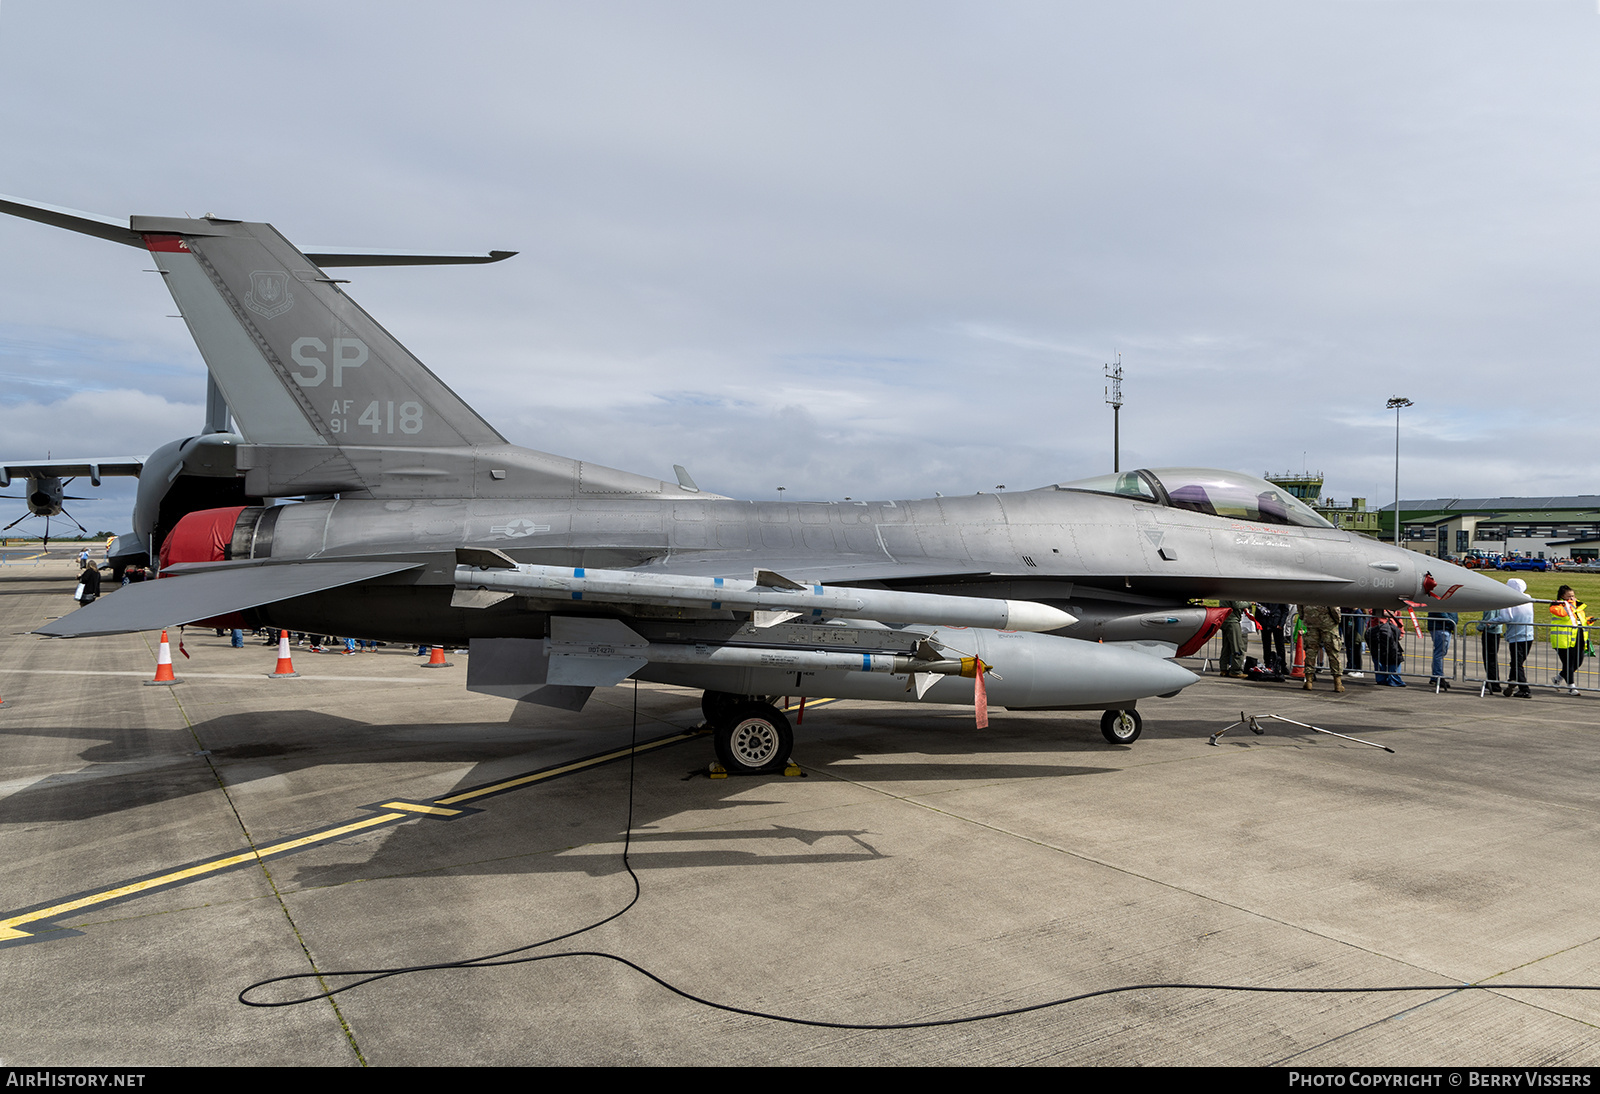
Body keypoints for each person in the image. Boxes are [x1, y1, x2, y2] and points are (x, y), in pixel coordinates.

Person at [1549, 585, 1593, 695]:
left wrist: (1587, 621)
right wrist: (1571, 603)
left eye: (1573, 596)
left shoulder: (1576, 606)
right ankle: (1571, 687)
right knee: (1568, 663)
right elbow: (1564, 614)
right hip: (1563, 639)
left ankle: (1558, 678)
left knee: (1578, 662)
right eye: (1569, 597)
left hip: (1578, 637)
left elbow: (1576, 619)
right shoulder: (1556, 606)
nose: (1572, 598)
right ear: (1562, 596)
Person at [1301, 603, 1344, 692]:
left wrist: (1304, 616)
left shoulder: (1305, 589)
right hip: (1327, 622)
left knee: (1310, 652)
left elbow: (1299, 605)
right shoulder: (1327, 588)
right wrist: (1337, 619)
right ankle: (1338, 683)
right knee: (1333, 653)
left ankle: (1309, 681)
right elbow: (1334, 607)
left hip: (1311, 621)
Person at [1503, 578, 1534, 699]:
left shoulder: (1509, 600)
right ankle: (1512, 680)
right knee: (1517, 662)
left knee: (1517, 664)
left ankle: (1524, 689)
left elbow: (1506, 618)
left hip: (1516, 636)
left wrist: (1490, 622)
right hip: (1529, 635)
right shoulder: (1528, 598)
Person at [1368, 609, 1405, 687]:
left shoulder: (1395, 605)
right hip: (1377, 631)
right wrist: (1386, 614)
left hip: (1392, 631)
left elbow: (1398, 616)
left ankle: (1394, 679)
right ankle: (1382, 678)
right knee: (1379, 656)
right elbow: (1373, 611)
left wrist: (1401, 631)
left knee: (1394, 655)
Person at [1478, 605, 1507, 695]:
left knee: (1489, 658)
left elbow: (1490, 619)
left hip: (1490, 632)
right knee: (1491, 658)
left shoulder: (1491, 605)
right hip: (1495, 632)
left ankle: (1494, 683)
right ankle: (1491, 680)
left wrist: (1480, 627)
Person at [1427, 610, 1458, 691]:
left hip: (1445, 627)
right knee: (1439, 654)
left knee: (1440, 653)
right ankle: (1438, 676)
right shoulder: (1439, 601)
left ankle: (1436, 676)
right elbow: (1440, 612)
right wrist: (1451, 622)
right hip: (1440, 627)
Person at [1257, 602, 1289, 676]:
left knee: (1280, 646)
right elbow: (1258, 609)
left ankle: (1282, 665)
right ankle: (1268, 664)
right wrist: (1259, 623)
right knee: (1266, 646)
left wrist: (1281, 624)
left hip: (1276, 622)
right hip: (1265, 622)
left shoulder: (1279, 596)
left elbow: (1285, 610)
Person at [1219, 601, 1250, 678]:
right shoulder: (1232, 591)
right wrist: (1249, 603)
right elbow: (1237, 604)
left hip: (1226, 619)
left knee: (1226, 647)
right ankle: (1236, 670)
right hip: (1232, 620)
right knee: (1237, 646)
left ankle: (1224, 669)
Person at [1342, 607, 1368, 675]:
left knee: (1356, 650)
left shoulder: (1358, 612)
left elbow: (1359, 627)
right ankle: (1351, 666)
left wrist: (1358, 638)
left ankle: (1357, 669)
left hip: (1355, 636)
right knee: (1350, 648)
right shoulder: (1353, 612)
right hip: (1350, 633)